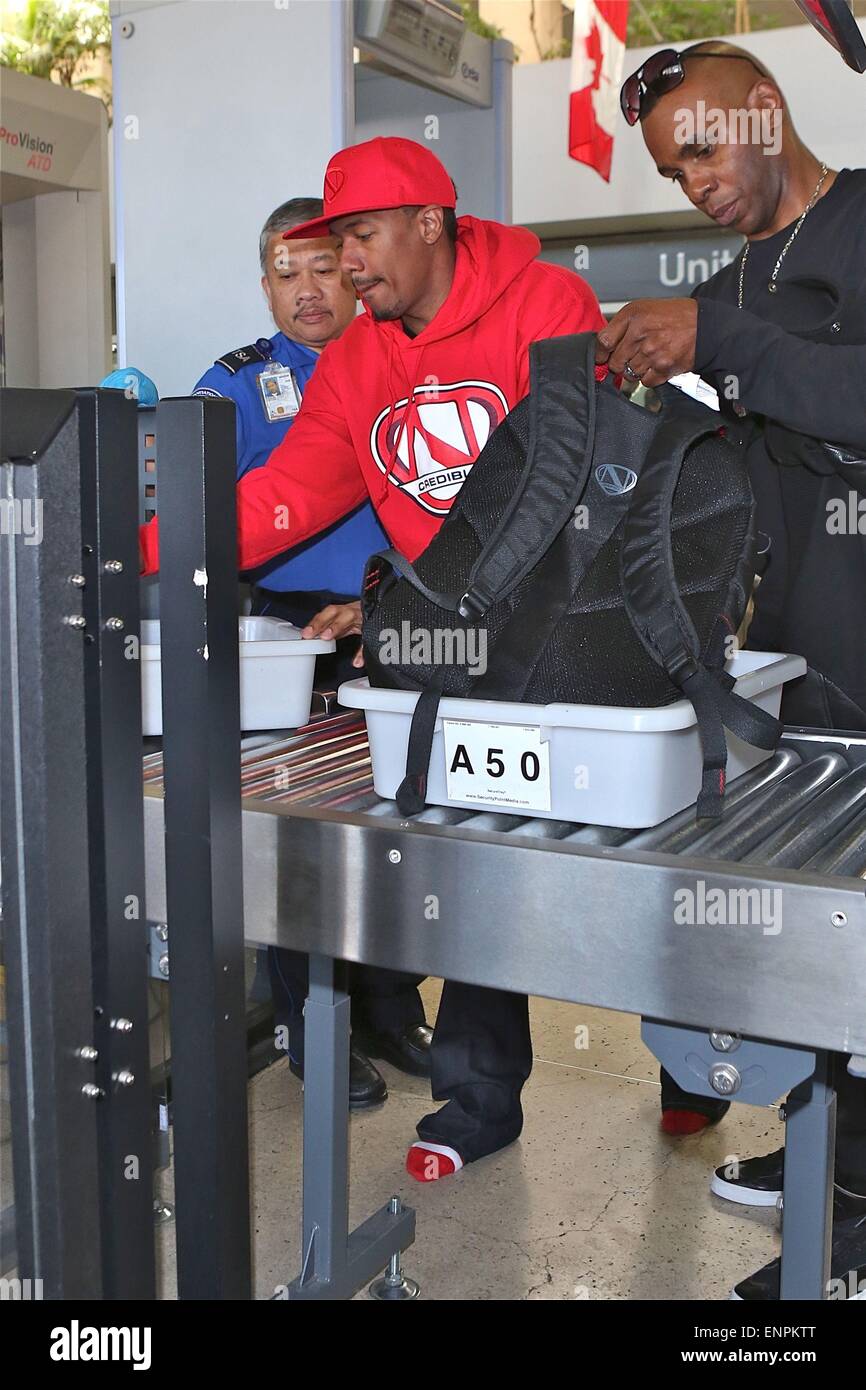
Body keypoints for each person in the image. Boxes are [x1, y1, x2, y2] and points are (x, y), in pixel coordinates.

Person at [141, 135, 606, 1179]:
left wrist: (430, 595)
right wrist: (130, 548)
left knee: (543, 870)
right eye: (328, 243)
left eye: (357, 236)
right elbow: (286, 496)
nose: (345, 265)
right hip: (429, 636)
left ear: (428, 223)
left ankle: (639, 1078)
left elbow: (563, 475)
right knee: (440, 855)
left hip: (549, 629)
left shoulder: (546, 303)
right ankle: (466, 1086)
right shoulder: (357, 357)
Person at [606, 38, 866, 1301]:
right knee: (825, 935)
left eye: (703, 145)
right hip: (793, 670)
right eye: (671, 167)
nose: (693, 177)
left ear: (764, 110)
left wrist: (724, 341)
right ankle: (839, 1161)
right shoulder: (730, 275)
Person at [191, 195, 431, 1110]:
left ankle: (392, 1005)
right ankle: (306, 1022)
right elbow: (204, 516)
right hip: (288, 632)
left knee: (401, 823)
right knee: (296, 837)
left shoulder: (405, 362)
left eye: (323, 267)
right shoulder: (237, 384)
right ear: (264, 287)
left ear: (357, 268)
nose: (305, 291)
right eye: (283, 274)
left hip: (397, 618)